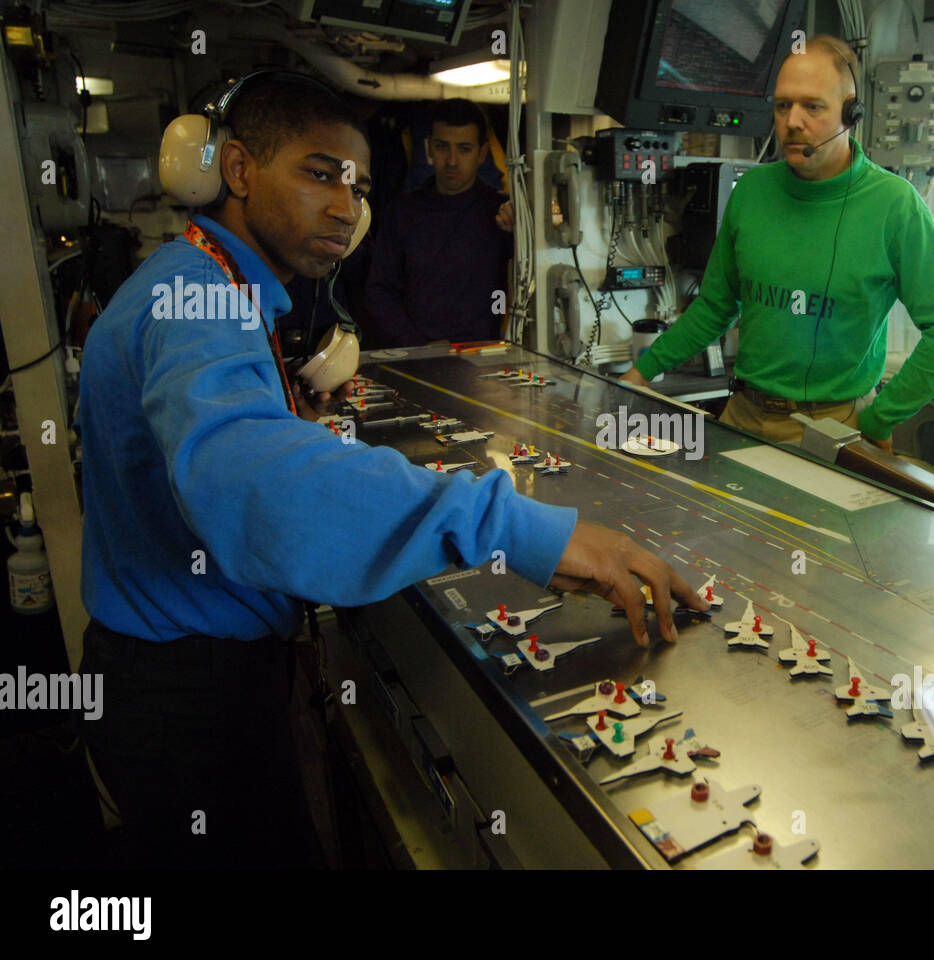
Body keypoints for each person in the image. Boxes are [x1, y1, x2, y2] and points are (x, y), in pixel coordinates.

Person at [76, 74, 706, 868]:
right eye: (317, 173)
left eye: (359, 186)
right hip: (186, 695)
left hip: (200, 672)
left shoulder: (212, 284)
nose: (345, 208)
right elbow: (252, 485)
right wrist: (513, 526)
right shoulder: (194, 299)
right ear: (236, 170)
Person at [622, 35, 934, 453]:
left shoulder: (895, 206)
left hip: (836, 428)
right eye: (782, 105)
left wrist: (882, 415)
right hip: (744, 417)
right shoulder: (752, 191)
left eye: (812, 106)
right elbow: (716, 305)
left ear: (850, 113)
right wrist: (641, 373)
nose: (792, 121)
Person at [364, 98, 515, 346]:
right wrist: (417, 345)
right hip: (415, 355)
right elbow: (380, 292)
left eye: (464, 148)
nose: (452, 160)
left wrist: (517, 232)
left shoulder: (501, 214)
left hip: (485, 354)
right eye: (443, 147)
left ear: (482, 153)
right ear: (430, 148)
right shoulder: (402, 212)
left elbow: (530, 283)